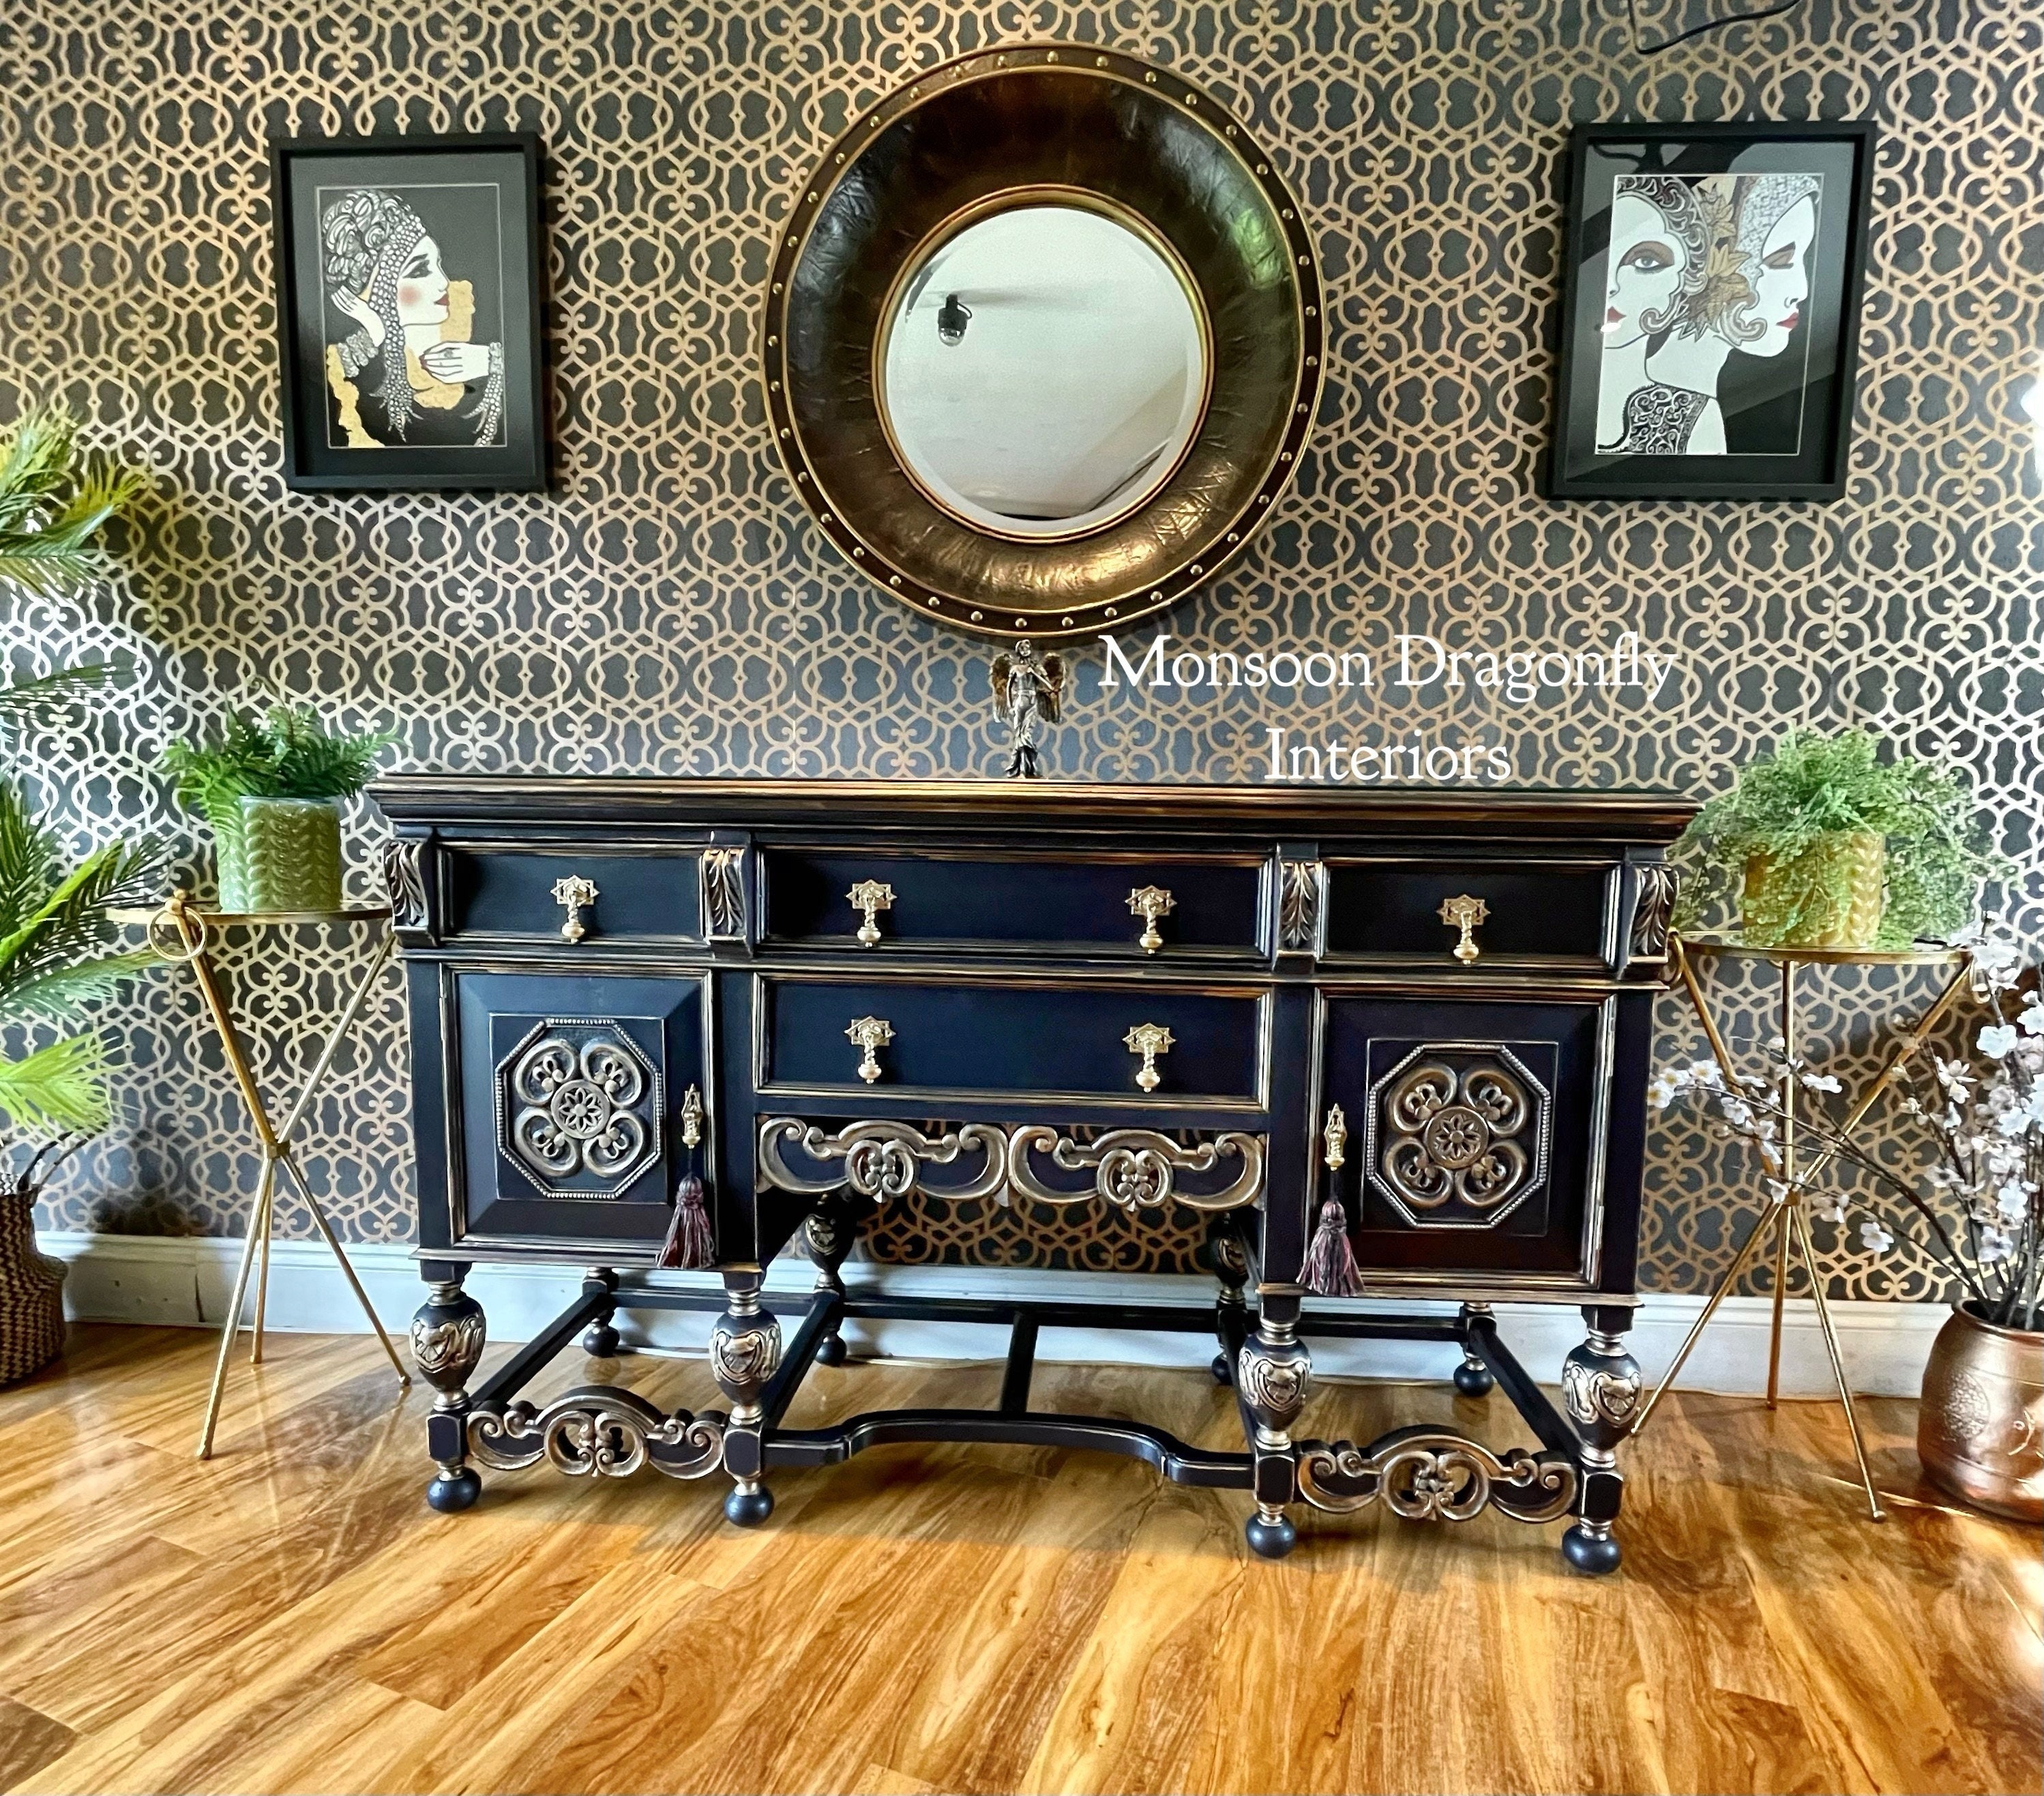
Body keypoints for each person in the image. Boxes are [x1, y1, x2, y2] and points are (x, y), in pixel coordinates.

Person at [320, 188, 506, 448]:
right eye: (420, 271)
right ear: (373, 294)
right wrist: (375, 332)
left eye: (438, 264)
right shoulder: (350, 367)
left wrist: (493, 363)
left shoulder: (475, 310)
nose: (442, 282)